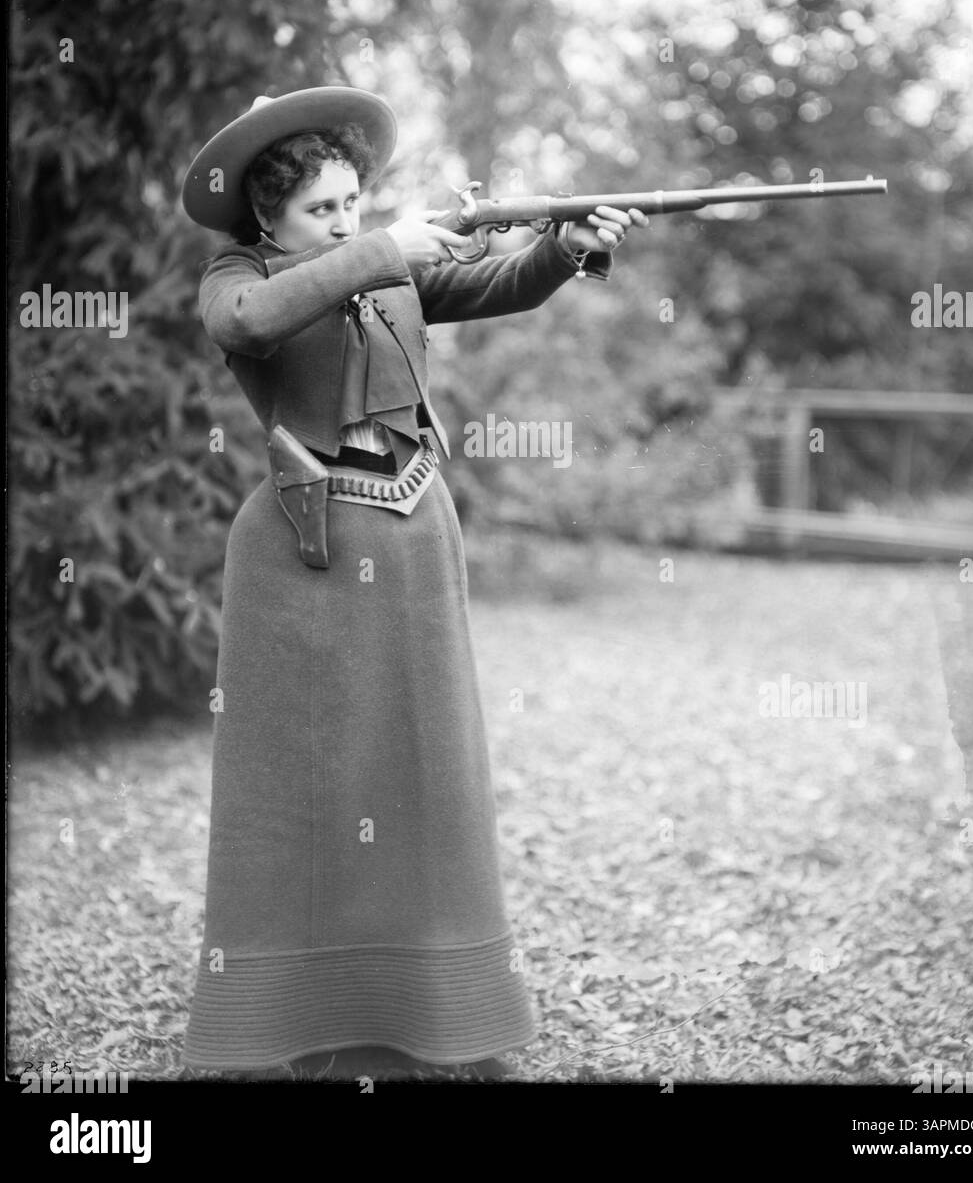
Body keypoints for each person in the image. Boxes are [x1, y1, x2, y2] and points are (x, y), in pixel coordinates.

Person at [179, 85, 647, 1080]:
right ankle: (287, 1020)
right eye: (321, 210)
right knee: (307, 786)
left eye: (353, 202)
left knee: (423, 771)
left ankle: (439, 1017)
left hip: (412, 529)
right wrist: (388, 241)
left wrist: (565, 243)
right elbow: (256, 320)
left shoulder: (383, 266)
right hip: (301, 551)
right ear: (267, 214)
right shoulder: (236, 275)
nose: (345, 223)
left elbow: (500, 283)